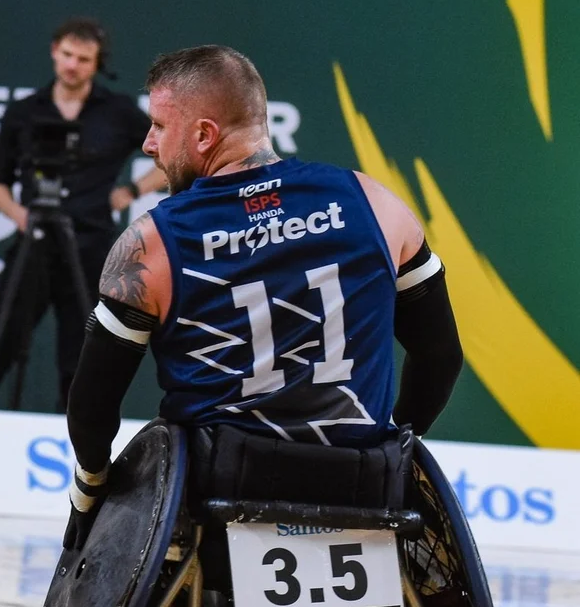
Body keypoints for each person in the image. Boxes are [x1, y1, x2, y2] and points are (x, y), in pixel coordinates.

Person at [63, 44, 460, 538]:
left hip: (218, 489)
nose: (148, 145)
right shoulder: (375, 202)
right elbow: (441, 354)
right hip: (360, 481)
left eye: (159, 128)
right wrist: (397, 444)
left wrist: (89, 491)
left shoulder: (151, 244)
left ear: (204, 135)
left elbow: (92, 406)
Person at [0, 17, 169, 408]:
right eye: (66, 55)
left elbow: (169, 154)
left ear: (97, 63)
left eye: (83, 58)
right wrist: (20, 215)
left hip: (92, 247)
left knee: (80, 354)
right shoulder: (24, 111)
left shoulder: (117, 111)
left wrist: (130, 191)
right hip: (35, 243)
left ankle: (79, 448)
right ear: (53, 52)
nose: (72, 65)